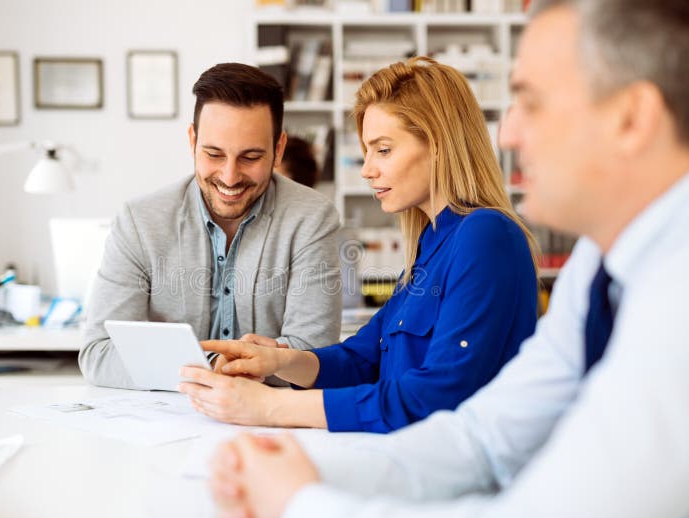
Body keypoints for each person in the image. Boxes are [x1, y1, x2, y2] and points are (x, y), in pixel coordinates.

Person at [207, 0, 689, 518]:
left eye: (532, 102)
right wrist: (293, 431)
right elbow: (480, 434)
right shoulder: (594, 267)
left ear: (631, 118)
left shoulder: (497, 238)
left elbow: (523, 504)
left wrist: (292, 477)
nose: (507, 135)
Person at [179, 57, 540, 433]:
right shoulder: (432, 245)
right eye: (367, 151)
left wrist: (271, 406)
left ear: (438, 145)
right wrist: (277, 361)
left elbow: (436, 397)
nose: (367, 169)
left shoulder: (486, 236)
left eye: (383, 150)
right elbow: (361, 360)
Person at [79, 63, 342, 389]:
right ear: (192, 140)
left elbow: (315, 358)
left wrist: (180, 365)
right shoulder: (140, 222)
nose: (229, 177)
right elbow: (99, 352)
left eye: (250, 157)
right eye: (214, 154)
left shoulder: (313, 219)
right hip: (165, 423)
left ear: (278, 149)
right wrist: (212, 365)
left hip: (270, 425)